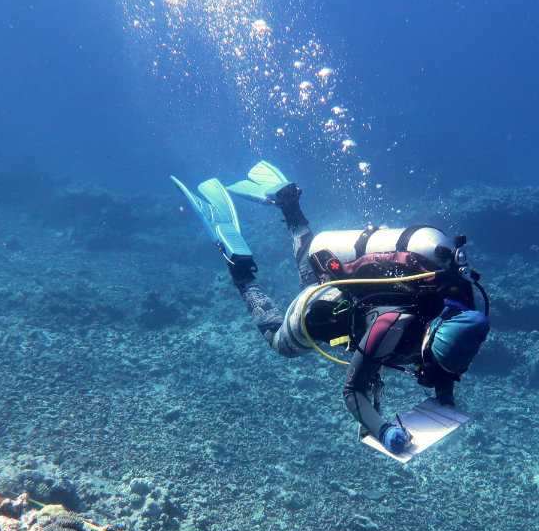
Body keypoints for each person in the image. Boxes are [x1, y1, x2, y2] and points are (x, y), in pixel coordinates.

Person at [171, 162, 490, 456]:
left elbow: (446, 356)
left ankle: (290, 206)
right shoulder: (391, 326)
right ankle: (240, 269)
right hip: (318, 312)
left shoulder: (456, 300)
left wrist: (445, 392)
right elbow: (352, 391)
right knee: (278, 339)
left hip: (342, 282)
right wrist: (383, 430)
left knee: (311, 269)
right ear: (430, 340)